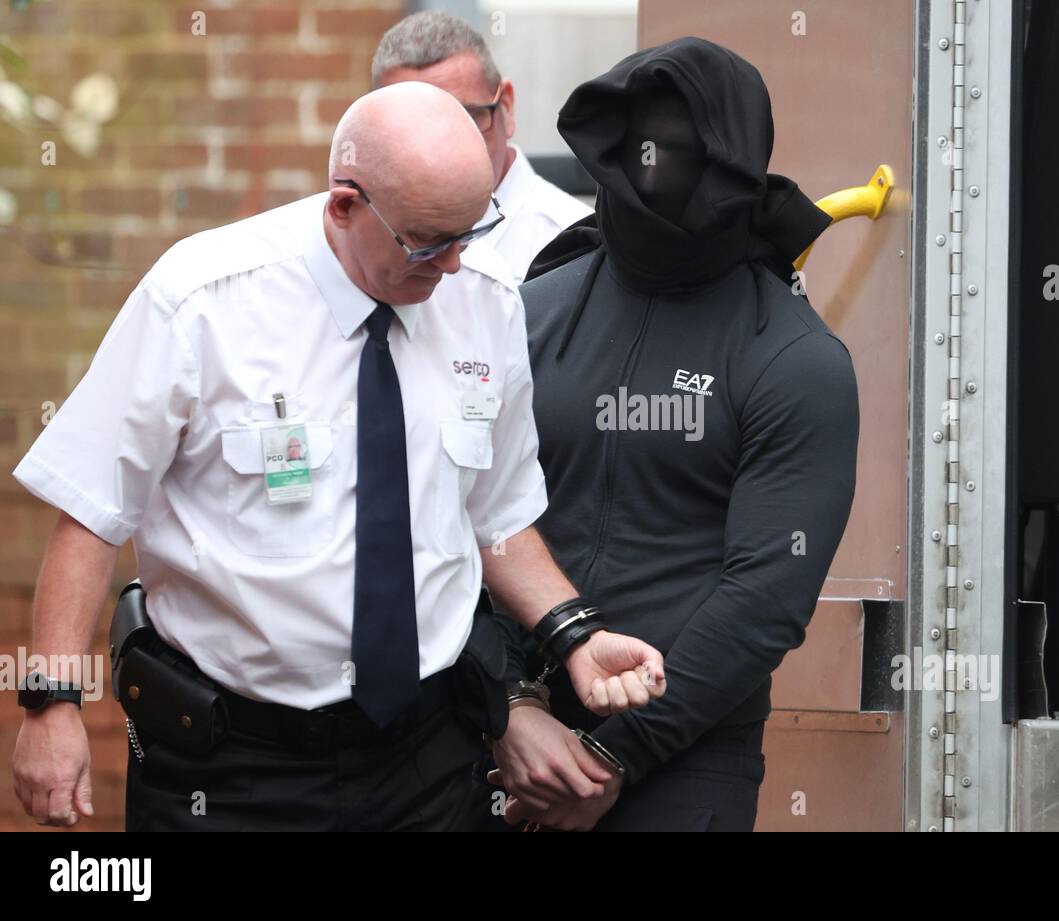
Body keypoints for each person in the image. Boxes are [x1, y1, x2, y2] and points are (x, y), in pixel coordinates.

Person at [10, 81, 664, 831]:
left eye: (468, 233)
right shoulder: (204, 301)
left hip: (425, 754)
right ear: (345, 205)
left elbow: (497, 517)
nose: (450, 266)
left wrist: (573, 632)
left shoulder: (485, 301)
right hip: (232, 768)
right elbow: (91, 515)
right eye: (425, 241)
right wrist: (52, 703)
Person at [480, 37, 860, 831]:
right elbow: (467, 520)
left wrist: (618, 757)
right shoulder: (529, 313)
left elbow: (765, 599)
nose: (657, 171)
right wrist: (511, 702)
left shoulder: (793, 357)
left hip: (684, 765)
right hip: (498, 738)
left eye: (683, 156)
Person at [371, 10, 592, 286]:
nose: (441, 149)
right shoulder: (362, 235)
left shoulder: (574, 247)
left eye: (466, 117)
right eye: (413, 128)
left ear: (507, 107)